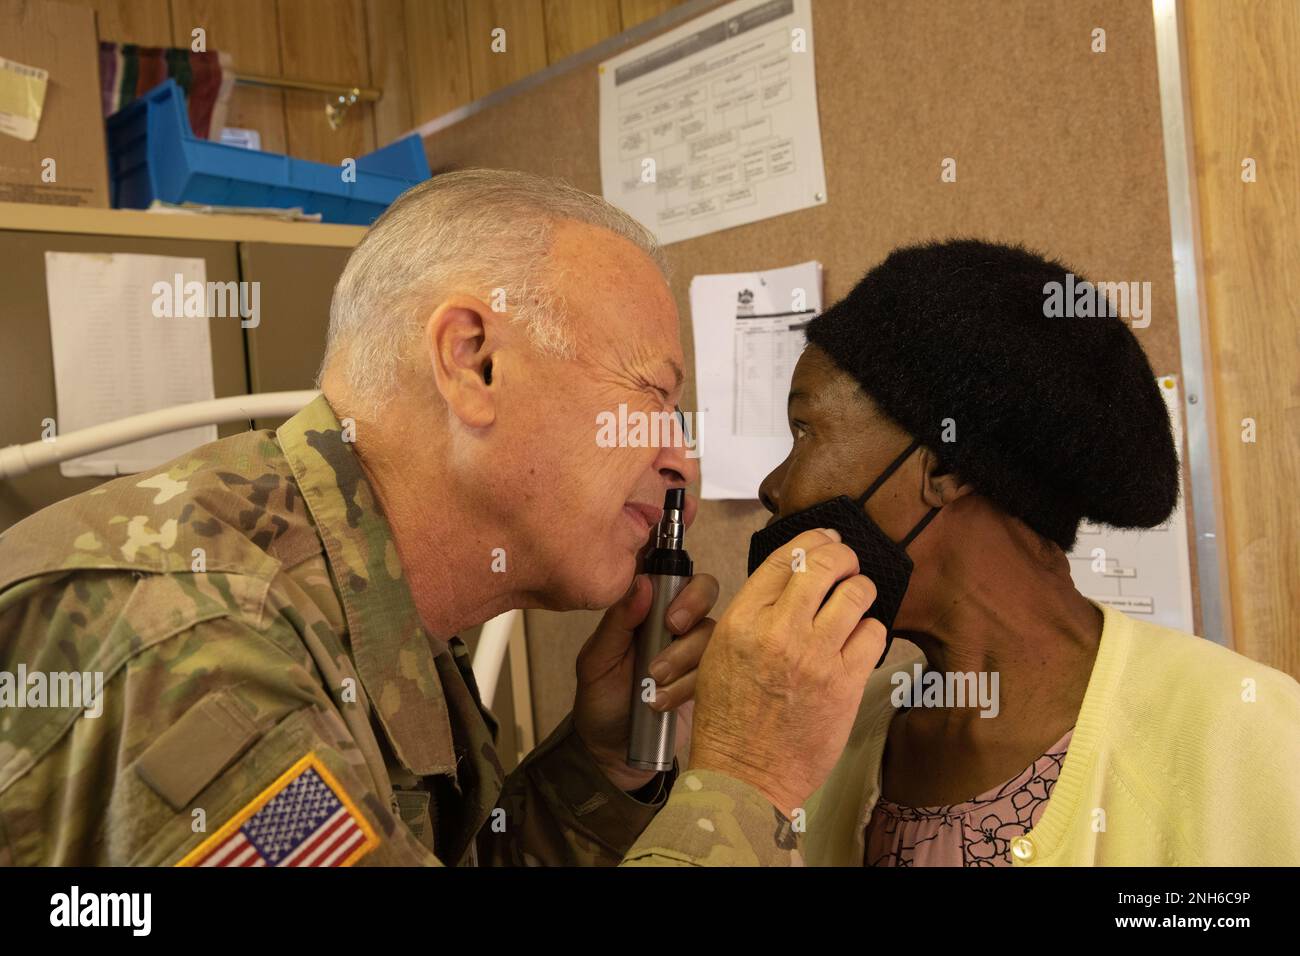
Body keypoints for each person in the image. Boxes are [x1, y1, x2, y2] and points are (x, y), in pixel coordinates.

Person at [0, 169, 882, 866]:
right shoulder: (202, 640)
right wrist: (745, 782)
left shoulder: (364, 610)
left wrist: (602, 768)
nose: (681, 462)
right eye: (651, 394)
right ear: (474, 362)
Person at [757, 239, 1300, 866]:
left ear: (950, 467)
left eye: (804, 431)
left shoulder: (1242, 736)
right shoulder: (831, 729)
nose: (772, 486)